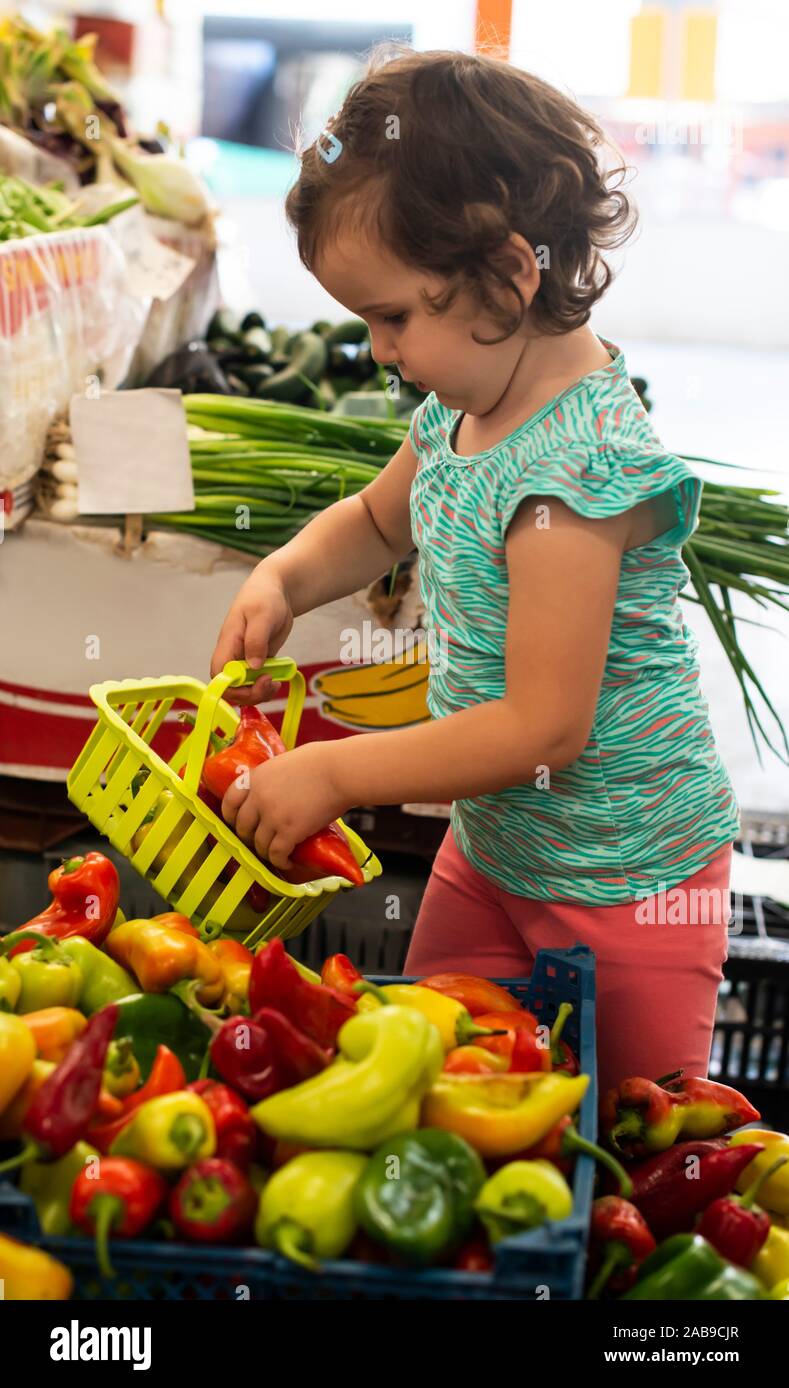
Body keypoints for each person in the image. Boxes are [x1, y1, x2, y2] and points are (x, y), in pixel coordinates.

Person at [210, 47, 739, 1095]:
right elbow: (374, 519)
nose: (375, 348)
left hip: (626, 880)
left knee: (634, 1139)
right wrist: (283, 577)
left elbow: (544, 727)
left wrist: (335, 773)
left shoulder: (573, 476)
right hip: (494, 854)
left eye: (393, 316)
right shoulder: (461, 408)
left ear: (506, 274)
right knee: (432, 1093)